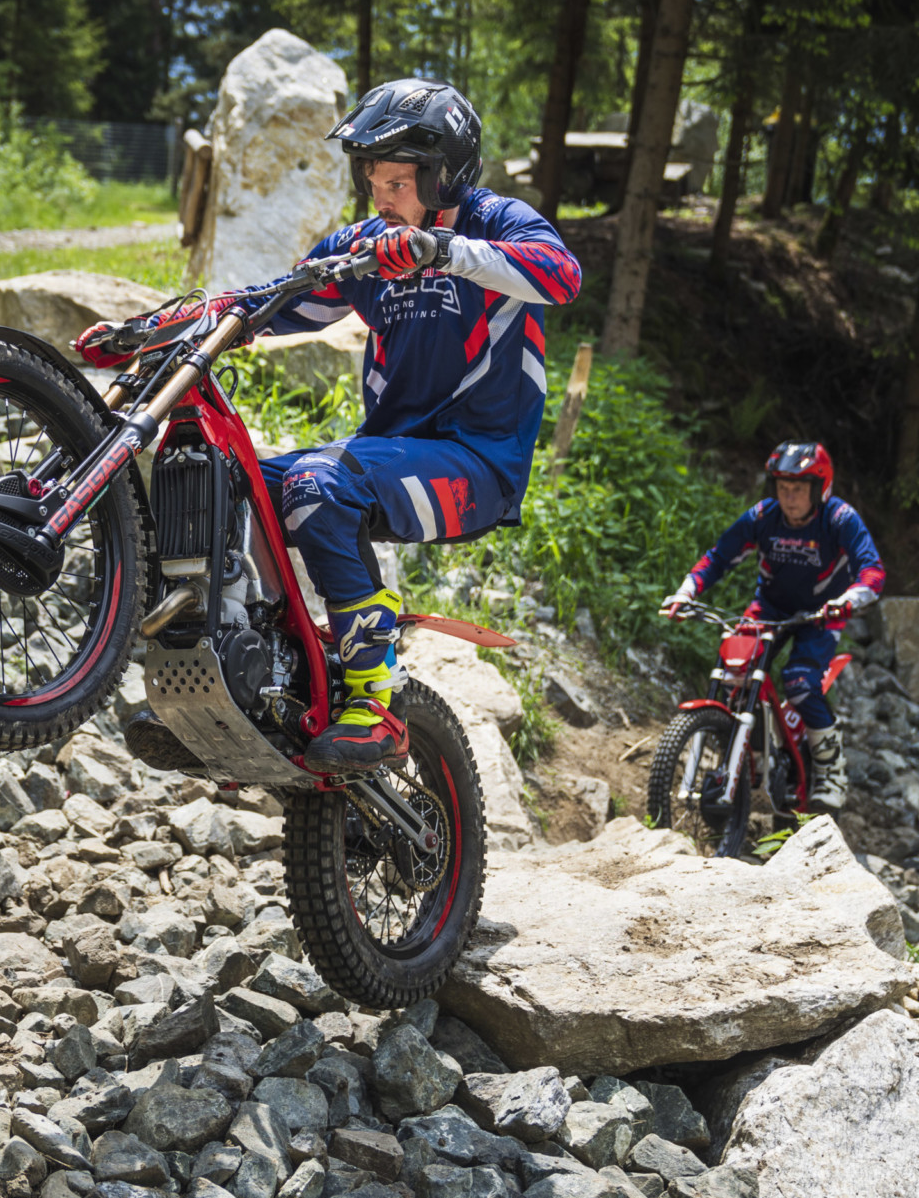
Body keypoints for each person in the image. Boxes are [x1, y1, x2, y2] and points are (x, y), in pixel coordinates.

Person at [109, 78, 581, 772]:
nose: (381, 198)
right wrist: (152, 327)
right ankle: (248, 676)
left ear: (445, 175)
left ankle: (378, 705)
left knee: (315, 484)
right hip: (385, 457)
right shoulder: (368, 246)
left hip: (478, 464)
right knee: (221, 481)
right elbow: (274, 303)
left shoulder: (496, 223)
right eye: (373, 181)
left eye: (396, 182)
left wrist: (440, 252)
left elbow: (562, 276)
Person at [660, 442, 884, 810]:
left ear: (819, 488)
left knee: (800, 683)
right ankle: (752, 759)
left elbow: (872, 571)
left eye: (798, 489)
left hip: (822, 614)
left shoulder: (841, 519)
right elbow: (718, 557)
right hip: (770, 607)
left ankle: (831, 770)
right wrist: (685, 591)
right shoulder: (763, 516)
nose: (789, 497)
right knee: (735, 672)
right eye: (782, 487)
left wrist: (850, 599)